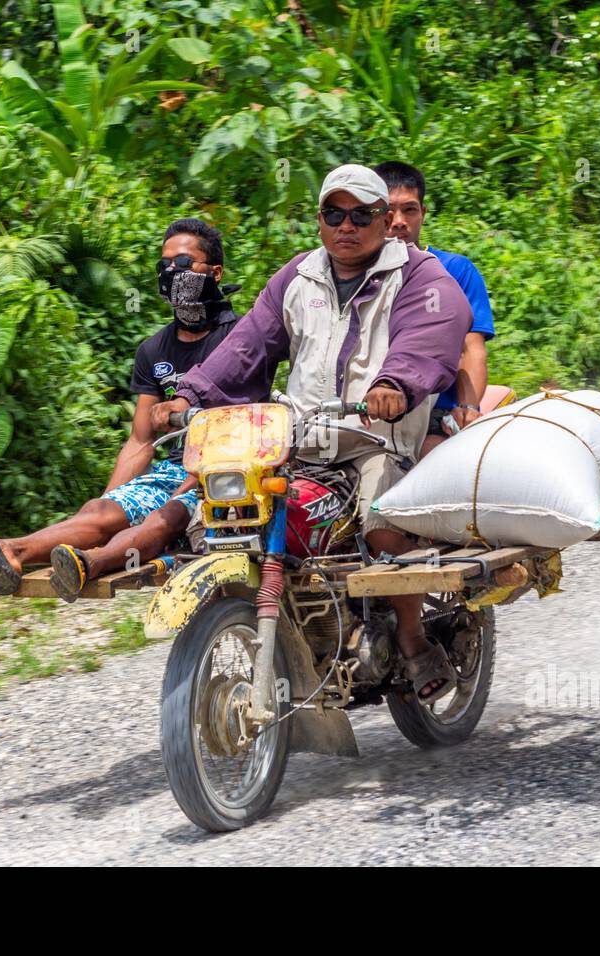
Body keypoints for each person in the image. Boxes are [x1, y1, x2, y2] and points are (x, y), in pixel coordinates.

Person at [151, 164, 472, 703]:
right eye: (333, 213)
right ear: (319, 218)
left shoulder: (421, 277)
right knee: (222, 512)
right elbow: (247, 346)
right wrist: (192, 395)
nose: (346, 226)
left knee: (382, 528)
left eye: (360, 214)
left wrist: (395, 384)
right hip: (296, 441)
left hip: (375, 441)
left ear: (383, 218)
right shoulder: (297, 278)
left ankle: (415, 642)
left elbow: (430, 338)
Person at [0, 219, 238, 601]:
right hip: (171, 468)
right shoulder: (153, 350)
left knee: (166, 518)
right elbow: (139, 441)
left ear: (214, 272)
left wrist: (189, 486)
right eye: (164, 265)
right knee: (103, 511)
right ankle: (9, 551)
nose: (171, 273)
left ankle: (92, 563)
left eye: (183, 263)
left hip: (224, 473)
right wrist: (109, 505)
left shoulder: (239, 341)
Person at [372, 161, 495, 457]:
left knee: (429, 461)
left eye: (409, 210)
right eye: (388, 211)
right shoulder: (352, 272)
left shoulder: (454, 270)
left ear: (423, 214)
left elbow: (470, 349)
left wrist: (467, 407)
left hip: (431, 415)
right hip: (363, 410)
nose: (398, 221)